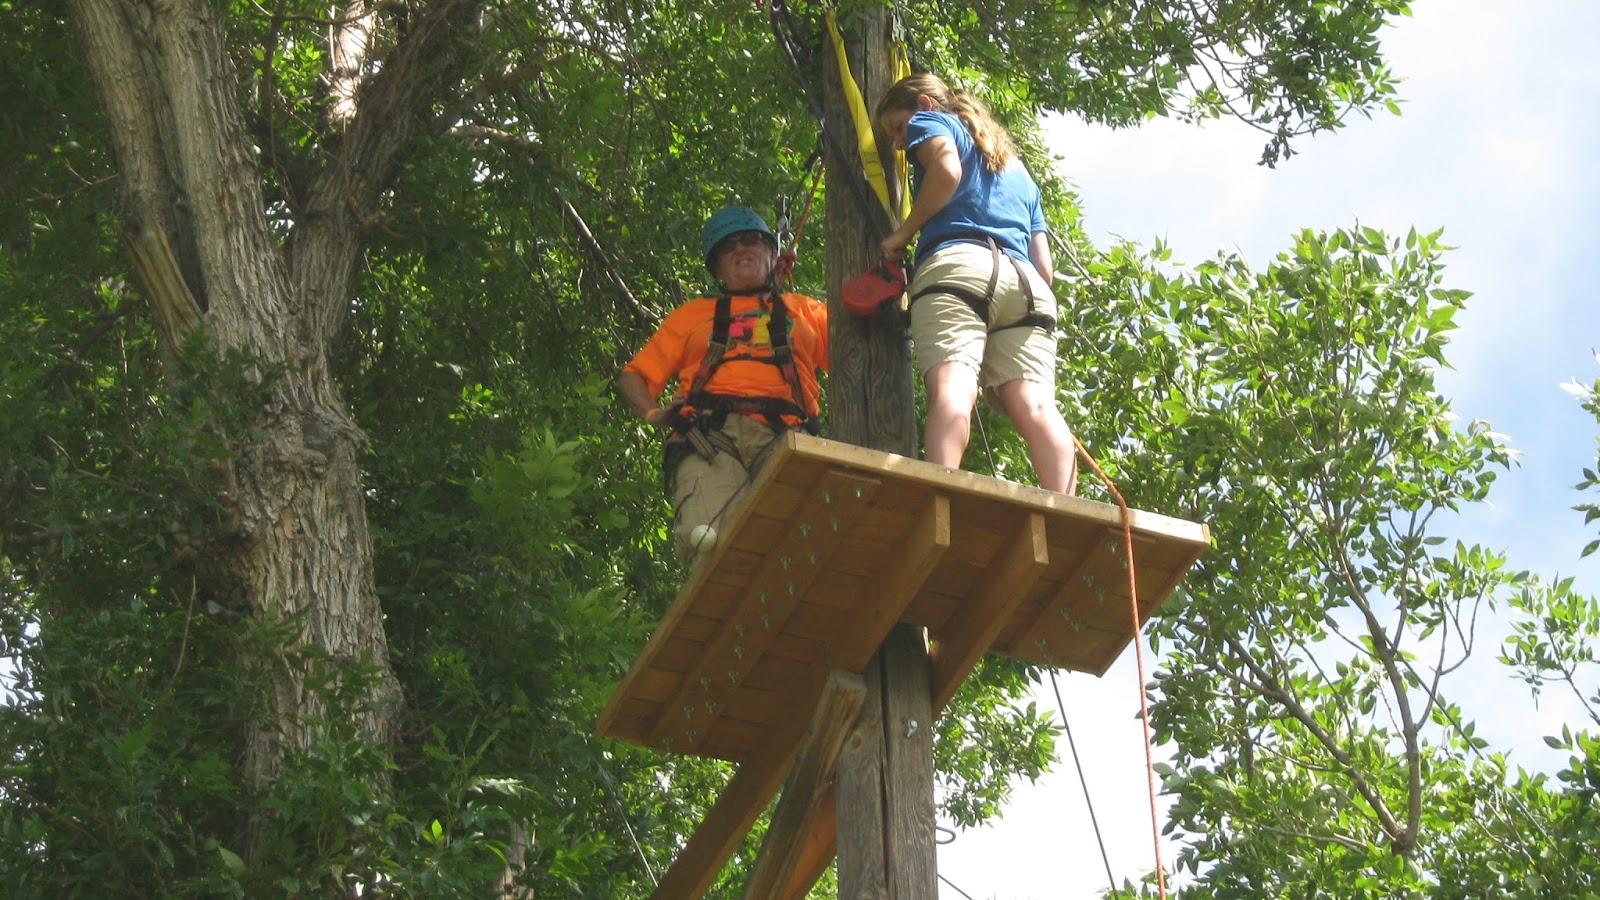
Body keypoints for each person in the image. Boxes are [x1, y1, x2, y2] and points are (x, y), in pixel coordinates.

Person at [875, 73, 1077, 494]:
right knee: (1037, 406)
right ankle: (1065, 511)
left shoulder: (934, 122)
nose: (897, 143)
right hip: (1028, 288)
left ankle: (942, 497)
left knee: (953, 389)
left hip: (957, 268)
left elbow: (946, 170)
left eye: (897, 127)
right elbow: (1046, 267)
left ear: (925, 105)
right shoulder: (1017, 168)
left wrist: (903, 233)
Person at [620, 206, 829, 557]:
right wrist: (653, 414)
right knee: (714, 543)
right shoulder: (691, 316)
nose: (741, 250)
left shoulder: (805, 311)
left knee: (800, 548)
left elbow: (859, 353)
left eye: (751, 241)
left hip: (786, 436)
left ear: (772, 254)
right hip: (708, 439)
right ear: (717, 267)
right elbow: (633, 376)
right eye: (728, 247)